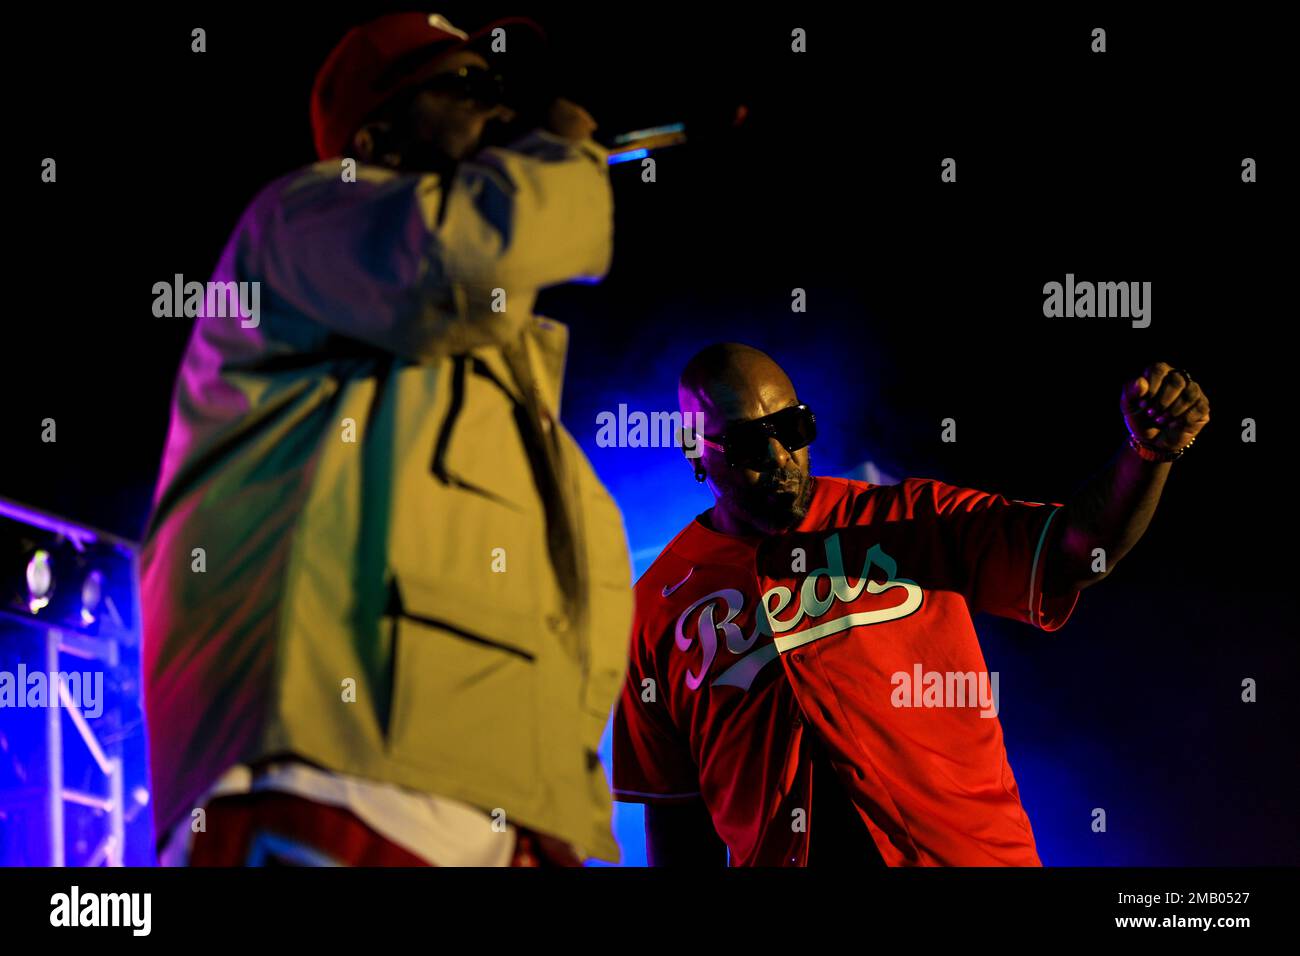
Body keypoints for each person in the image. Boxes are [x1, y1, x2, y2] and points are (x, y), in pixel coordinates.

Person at [142, 12, 633, 867]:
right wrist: (561, 152)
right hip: (333, 776)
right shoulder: (298, 219)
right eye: (470, 87)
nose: (502, 110)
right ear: (373, 136)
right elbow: (473, 254)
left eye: (503, 91)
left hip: (492, 809)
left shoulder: (494, 370)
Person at [612, 343, 1209, 866]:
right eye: (747, 442)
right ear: (695, 451)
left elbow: (1077, 550)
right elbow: (676, 817)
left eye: (791, 427)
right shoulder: (654, 611)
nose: (778, 456)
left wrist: (1145, 455)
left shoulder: (909, 520)